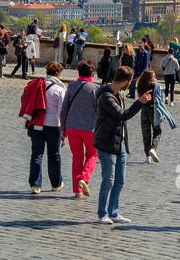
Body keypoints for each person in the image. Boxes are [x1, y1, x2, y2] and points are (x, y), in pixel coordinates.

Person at [92, 66, 152, 224]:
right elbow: (122, 115)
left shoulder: (118, 95)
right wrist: (140, 102)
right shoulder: (106, 96)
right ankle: (102, 213)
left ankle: (114, 212)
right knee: (108, 180)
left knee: (120, 180)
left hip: (119, 144)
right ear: (125, 81)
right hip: (106, 143)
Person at [21, 62, 67, 194]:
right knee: (54, 155)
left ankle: (35, 185)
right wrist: (64, 132)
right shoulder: (59, 89)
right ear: (58, 73)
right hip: (53, 126)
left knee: (36, 154)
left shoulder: (35, 85)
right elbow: (61, 113)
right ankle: (56, 183)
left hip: (36, 124)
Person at [59, 61, 99, 197]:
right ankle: (84, 178)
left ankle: (77, 191)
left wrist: (63, 129)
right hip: (90, 128)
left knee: (77, 157)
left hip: (72, 127)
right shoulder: (96, 89)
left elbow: (64, 109)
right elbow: (99, 111)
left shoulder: (71, 86)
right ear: (92, 73)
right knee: (92, 154)